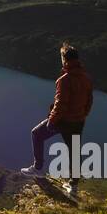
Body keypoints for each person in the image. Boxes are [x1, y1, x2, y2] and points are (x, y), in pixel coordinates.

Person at [21, 42, 93, 186]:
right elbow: (89, 99)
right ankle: (73, 184)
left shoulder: (64, 80)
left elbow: (60, 104)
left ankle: (38, 168)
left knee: (36, 134)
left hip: (63, 121)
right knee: (74, 150)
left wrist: (52, 121)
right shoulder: (86, 77)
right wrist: (83, 115)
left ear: (64, 60)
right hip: (78, 121)